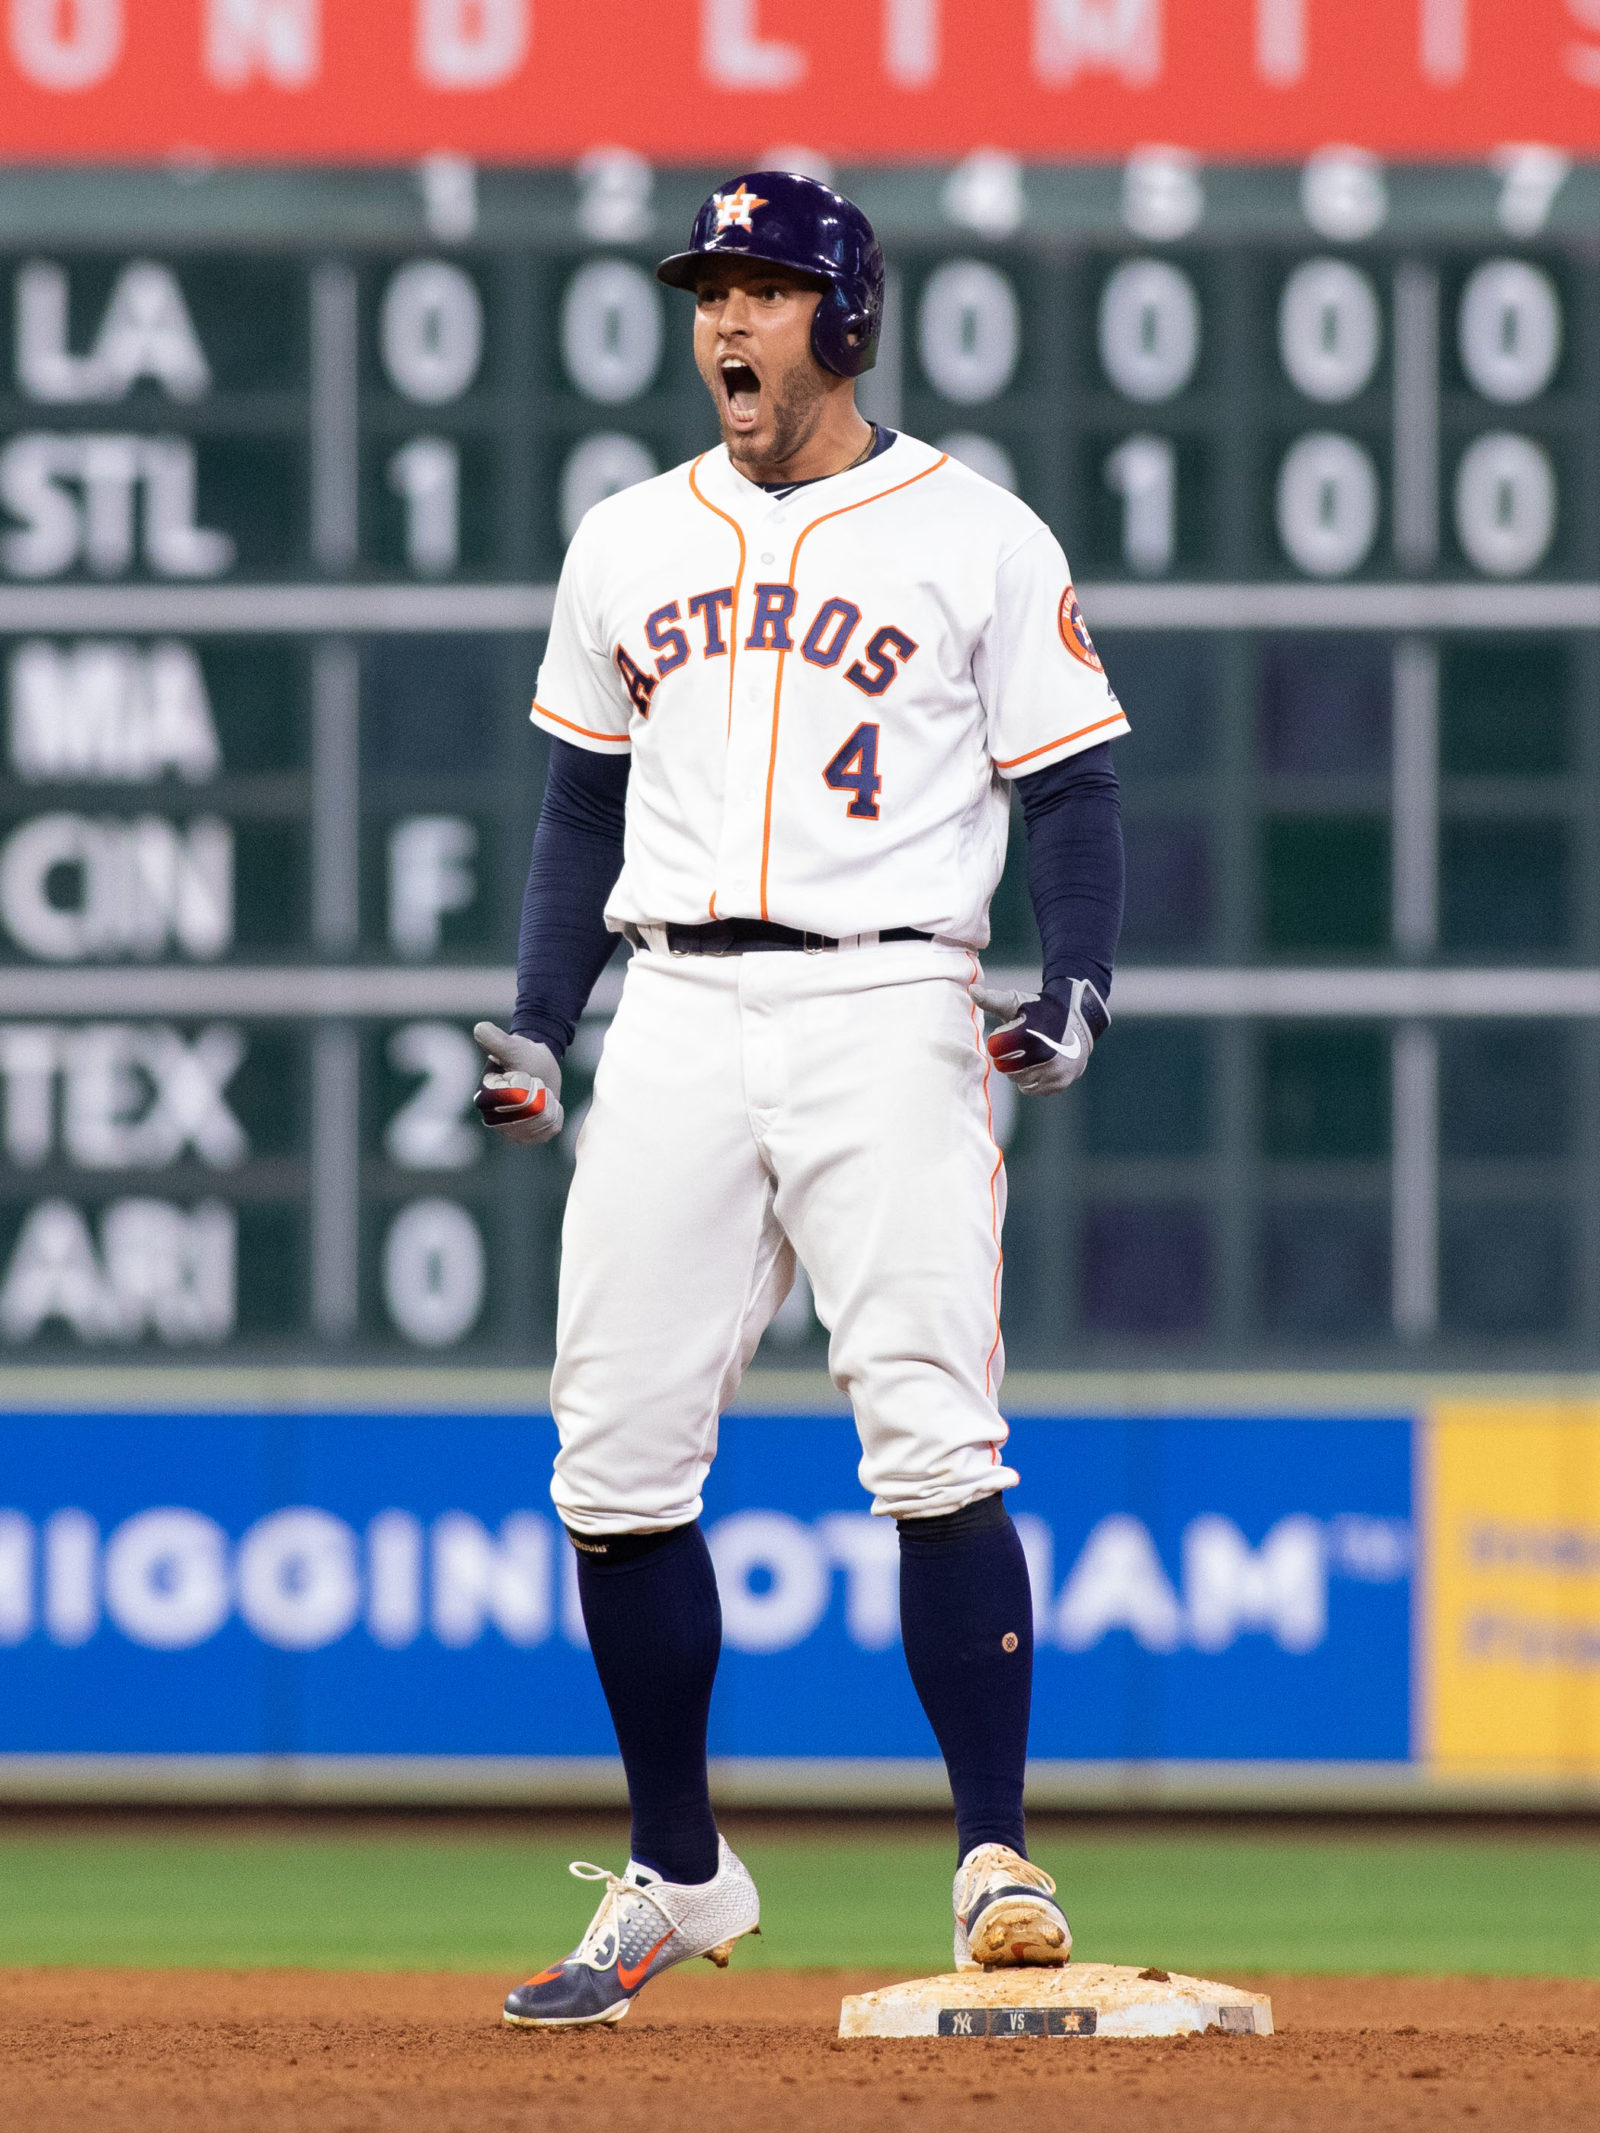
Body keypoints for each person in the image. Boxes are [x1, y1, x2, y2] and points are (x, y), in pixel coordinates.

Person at [474, 172, 1126, 2029]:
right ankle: (679, 1870)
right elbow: (580, 806)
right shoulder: (626, 537)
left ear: (845, 319)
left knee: (932, 1435)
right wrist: (541, 1020)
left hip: (889, 995)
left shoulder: (976, 533)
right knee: (610, 1460)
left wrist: (1075, 982)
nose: (725, 325)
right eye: (710, 293)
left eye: (760, 290)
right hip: (675, 1001)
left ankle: (995, 1853)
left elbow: (1072, 791)